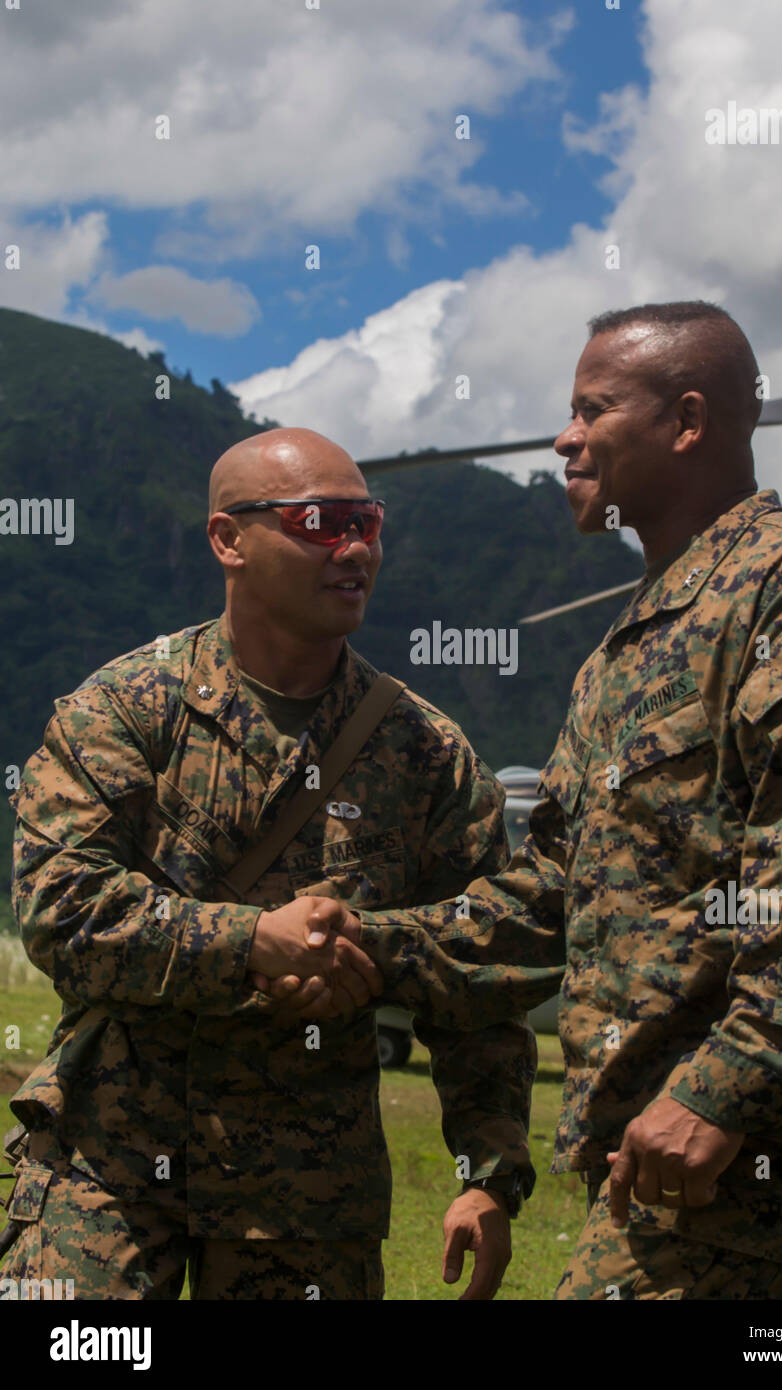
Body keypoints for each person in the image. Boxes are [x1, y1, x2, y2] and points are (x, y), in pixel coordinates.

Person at [264, 303, 782, 1300]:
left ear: (688, 421)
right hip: (664, 1144)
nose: (566, 438)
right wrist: (364, 940)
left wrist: (722, 1090)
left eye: (591, 409)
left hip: (761, 1138)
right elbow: (551, 900)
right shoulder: (632, 647)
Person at [1, 427, 538, 1300]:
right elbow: (64, 910)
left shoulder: (426, 752)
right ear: (229, 540)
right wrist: (256, 942)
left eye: (368, 520)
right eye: (319, 521)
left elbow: (481, 976)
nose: (354, 547)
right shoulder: (128, 709)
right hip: (107, 1175)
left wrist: (490, 1172)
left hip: (306, 1204)